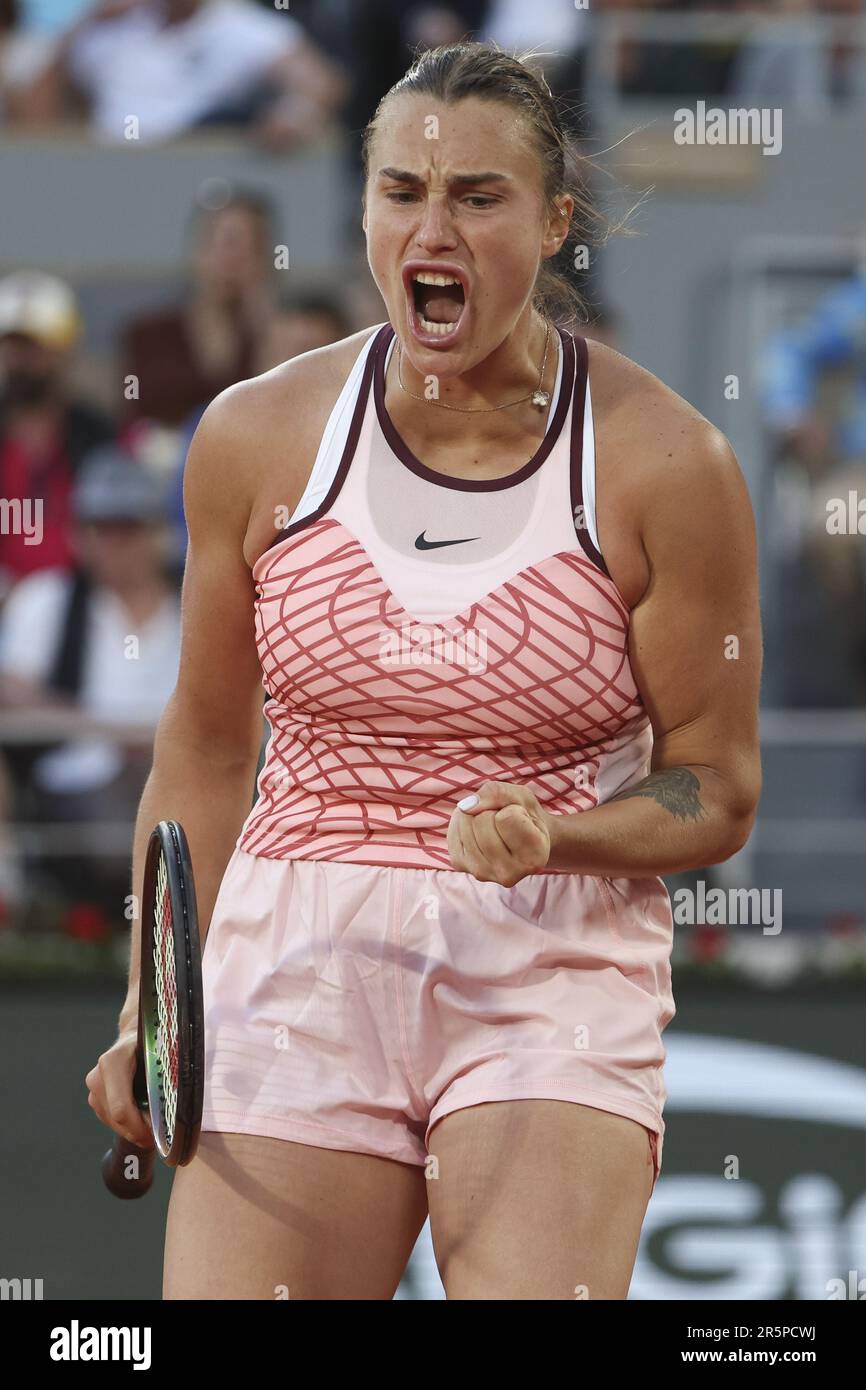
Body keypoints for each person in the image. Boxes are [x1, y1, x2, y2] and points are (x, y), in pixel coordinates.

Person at [86, 42, 762, 1300]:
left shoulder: (669, 463)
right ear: (363, 207)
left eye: (477, 197)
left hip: (547, 970)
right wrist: (150, 1008)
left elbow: (714, 788)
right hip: (296, 953)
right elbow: (207, 749)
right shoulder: (253, 435)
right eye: (401, 191)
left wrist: (551, 836)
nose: (430, 227)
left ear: (555, 222)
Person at [0, 445, 181, 918]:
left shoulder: (195, 605)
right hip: (78, 781)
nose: (116, 545)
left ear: (158, 533)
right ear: (80, 535)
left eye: (130, 528)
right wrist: (98, 729)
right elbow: (11, 689)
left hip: (181, 774)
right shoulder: (48, 600)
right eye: (103, 529)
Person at [15, 0, 346, 147]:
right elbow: (32, 107)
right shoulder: (112, 28)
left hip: (197, 188)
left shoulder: (240, 26)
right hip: (107, 183)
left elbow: (322, 83)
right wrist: (88, 20)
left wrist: (293, 115)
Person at [119, 191, 279, 429]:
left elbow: (278, 410)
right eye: (227, 243)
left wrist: (268, 332)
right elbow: (134, 415)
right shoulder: (149, 334)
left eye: (252, 247)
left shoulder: (280, 336)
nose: (234, 260)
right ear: (198, 250)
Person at [0, 270, 114, 600]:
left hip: (83, 607)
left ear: (65, 351)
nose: (19, 359)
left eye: (33, 347)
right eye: (11, 346)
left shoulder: (97, 435)